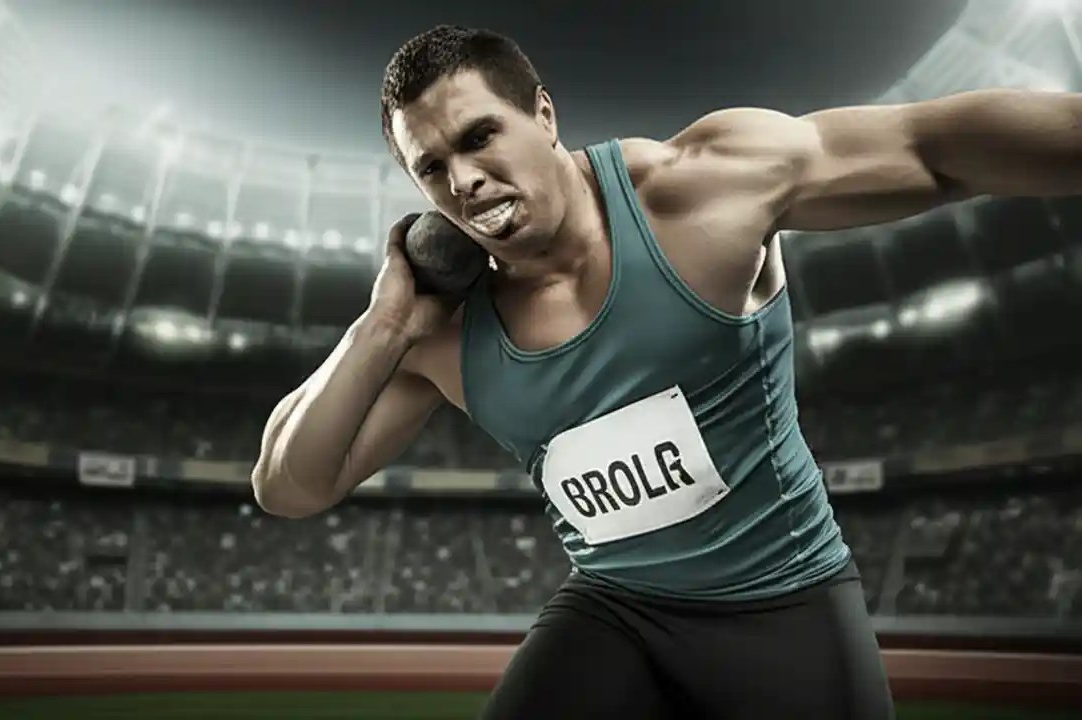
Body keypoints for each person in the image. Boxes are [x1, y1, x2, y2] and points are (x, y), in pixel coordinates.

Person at [251, 24, 1081, 720]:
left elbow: (932, 149)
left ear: (542, 114)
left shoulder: (696, 196)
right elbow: (289, 485)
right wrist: (383, 323)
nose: (463, 181)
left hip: (786, 608)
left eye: (478, 137)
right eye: (431, 169)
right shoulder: (438, 330)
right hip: (615, 612)